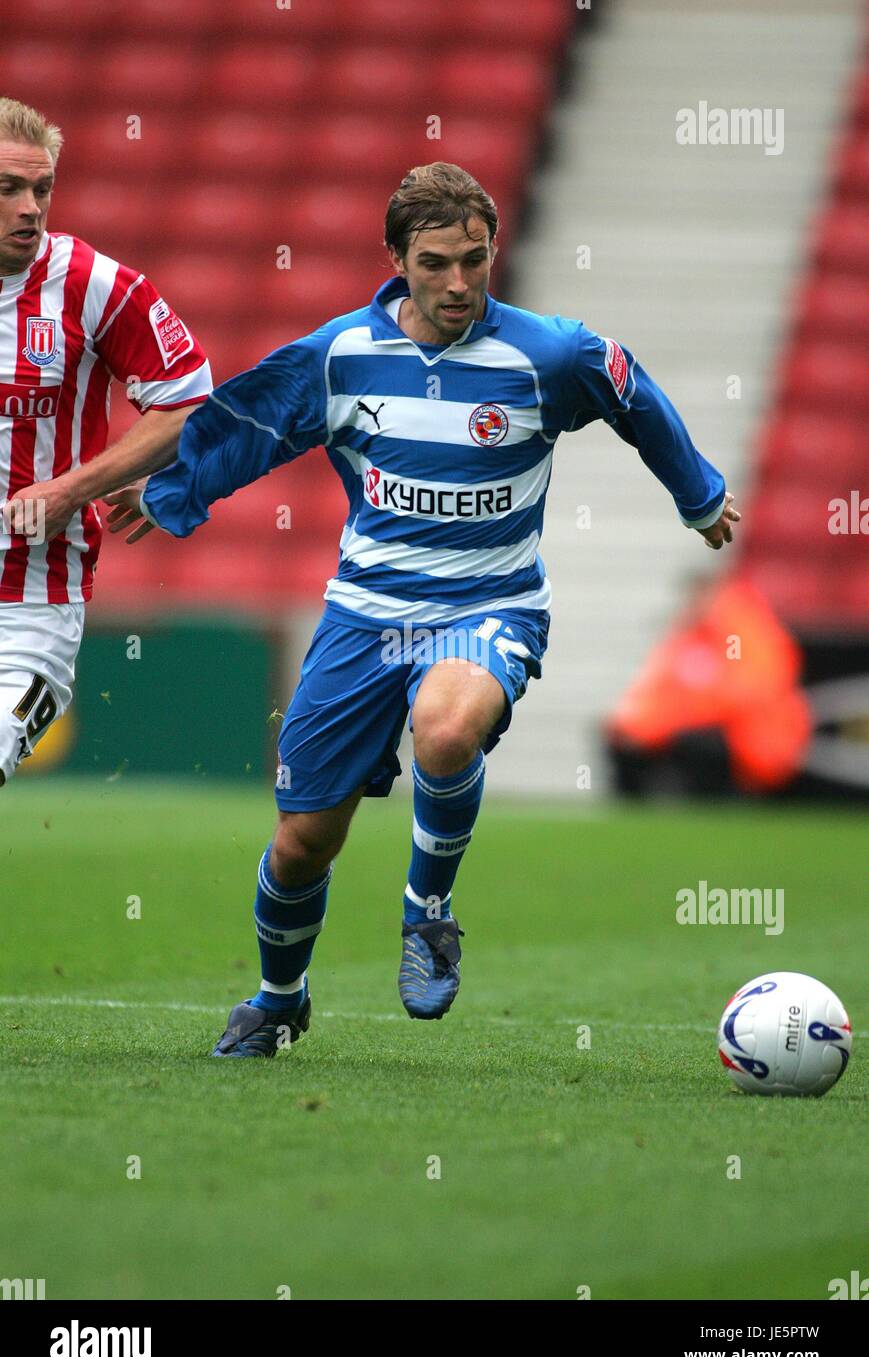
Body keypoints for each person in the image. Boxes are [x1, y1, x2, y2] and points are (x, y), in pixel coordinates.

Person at [12, 162, 740, 1054]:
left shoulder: (548, 354)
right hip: (363, 617)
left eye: (474, 260)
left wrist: (697, 495)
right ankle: (279, 1002)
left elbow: (634, 395)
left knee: (444, 729)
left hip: (491, 604)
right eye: (435, 263)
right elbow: (250, 421)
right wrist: (170, 493)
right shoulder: (341, 355)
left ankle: (427, 913)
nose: (459, 284)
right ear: (397, 258)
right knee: (302, 844)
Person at [0, 98, 212, 787]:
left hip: (30, 606)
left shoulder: (90, 284)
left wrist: (69, 489)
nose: (31, 207)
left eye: (42, 188)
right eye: (9, 189)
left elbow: (188, 399)